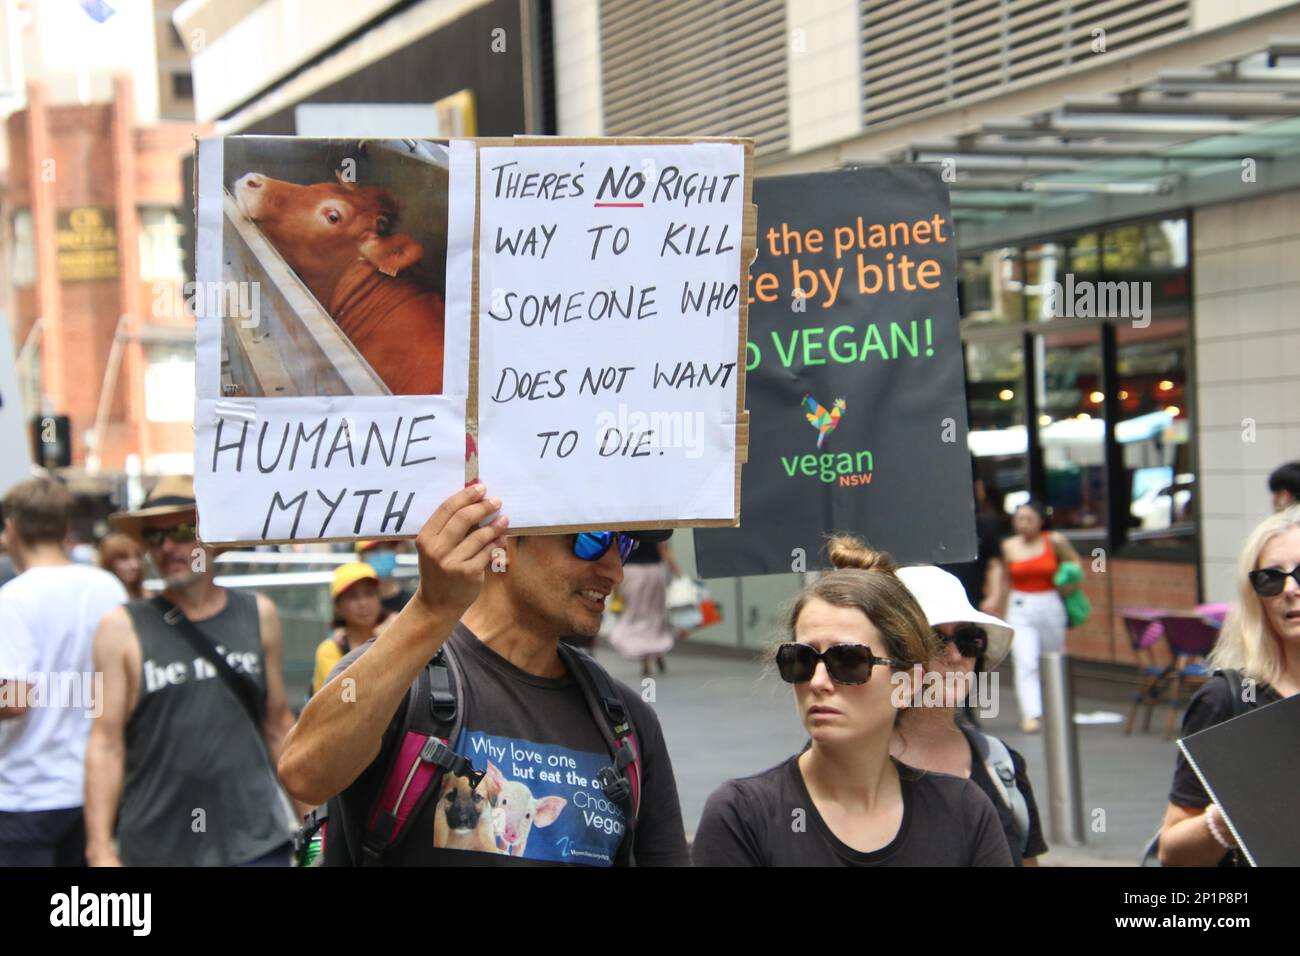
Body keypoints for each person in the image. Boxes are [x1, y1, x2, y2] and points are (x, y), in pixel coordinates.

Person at [279, 483, 690, 866]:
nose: (615, 570)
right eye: (592, 539)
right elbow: (305, 774)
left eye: (625, 543)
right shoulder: (406, 682)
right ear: (502, 541)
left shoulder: (626, 722)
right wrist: (430, 609)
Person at [691, 536, 1012, 867]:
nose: (817, 682)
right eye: (801, 659)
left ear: (908, 681)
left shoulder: (965, 812)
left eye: (848, 661)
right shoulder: (742, 816)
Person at [84, 476, 299, 866]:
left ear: (211, 539)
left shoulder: (259, 615)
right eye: (154, 536)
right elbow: (105, 742)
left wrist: (314, 817)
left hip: (256, 843)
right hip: (158, 849)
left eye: (182, 531)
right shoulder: (118, 628)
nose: (167, 547)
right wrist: (99, 847)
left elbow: (278, 725)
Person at [1157, 505, 1300, 866]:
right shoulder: (1226, 699)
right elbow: (1171, 853)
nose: (1290, 589)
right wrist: (1233, 815)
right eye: (1271, 578)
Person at [0, 478, 127, 866]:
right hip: (97, 788)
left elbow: (14, 701)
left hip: (26, 793)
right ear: (64, 528)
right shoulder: (108, 587)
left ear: (12, 528)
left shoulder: (14, 599)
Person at [892, 565, 1048, 865]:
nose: (955, 656)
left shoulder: (1002, 764)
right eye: (935, 640)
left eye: (968, 639)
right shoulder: (857, 768)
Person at [990, 500, 1083, 733]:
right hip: (1020, 604)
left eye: (1028, 519)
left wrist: (1070, 582)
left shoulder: (1054, 541)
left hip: (1050, 602)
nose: (1023, 524)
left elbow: (1076, 563)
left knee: (1053, 656)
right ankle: (1032, 713)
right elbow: (1002, 577)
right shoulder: (1009, 546)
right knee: (1026, 661)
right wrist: (995, 600)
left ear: (1040, 521)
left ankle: (1057, 705)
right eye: (1019, 519)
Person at [310, 562, 390, 697]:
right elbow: (349, 696)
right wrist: (384, 646)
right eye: (353, 597)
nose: (363, 603)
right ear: (338, 607)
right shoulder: (329, 650)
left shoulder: (392, 634)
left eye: (369, 594)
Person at [609, 534, 683, 677]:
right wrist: (678, 572)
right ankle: (658, 652)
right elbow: (664, 550)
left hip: (632, 573)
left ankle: (645, 659)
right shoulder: (655, 524)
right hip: (653, 571)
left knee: (637, 614)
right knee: (655, 614)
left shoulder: (626, 524)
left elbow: (618, 551)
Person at [357, 539, 412, 614]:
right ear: (360, 556)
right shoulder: (353, 606)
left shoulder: (411, 604)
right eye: (375, 549)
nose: (383, 554)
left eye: (389, 548)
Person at [98, 532, 147, 601]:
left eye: (138, 557)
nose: (135, 565)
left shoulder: (147, 595)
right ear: (108, 562)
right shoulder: (100, 598)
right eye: (124, 558)